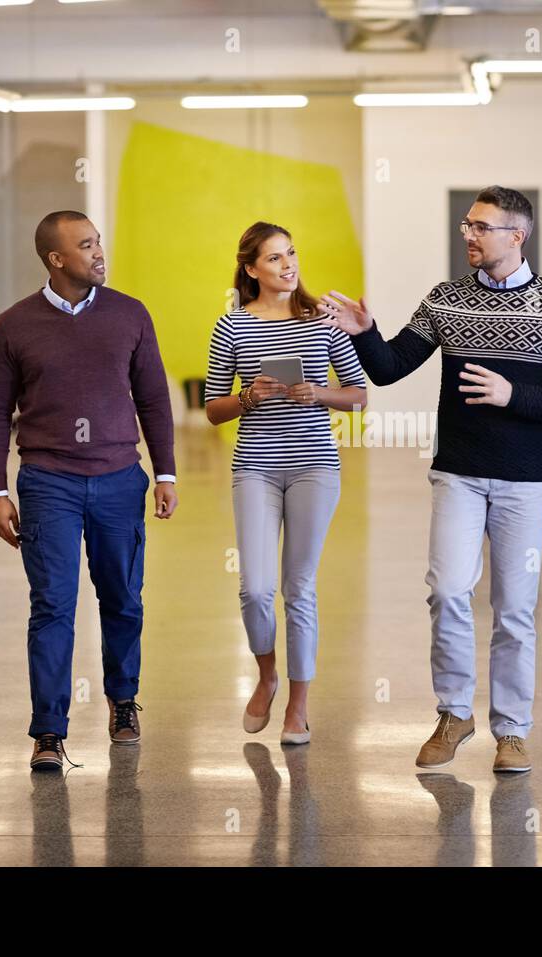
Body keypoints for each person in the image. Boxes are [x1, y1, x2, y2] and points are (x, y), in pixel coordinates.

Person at [321, 186, 542, 773]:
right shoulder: (445, 301)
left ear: (516, 236)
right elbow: (388, 369)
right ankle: (453, 713)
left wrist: (511, 394)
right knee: (447, 592)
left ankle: (513, 730)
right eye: (467, 225)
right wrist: (363, 330)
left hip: (525, 482)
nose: (468, 235)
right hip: (458, 476)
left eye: (481, 227)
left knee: (515, 608)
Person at [0, 210, 179, 772]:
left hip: (119, 480)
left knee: (122, 599)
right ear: (56, 258)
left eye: (98, 242)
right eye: (86, 245)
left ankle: (123, 701)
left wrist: (165, 474)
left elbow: (154, 400)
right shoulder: (14, 326)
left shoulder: (130, 315)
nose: (99, 252)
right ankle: (48, 731)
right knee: (52, 607)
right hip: (47, 485)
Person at [205, 222, 367, 745]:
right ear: (251, 270)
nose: (288, 265)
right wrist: (250, 396)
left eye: (291, 254)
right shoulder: (230, 326)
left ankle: (299, 703)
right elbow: (211, 409)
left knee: (298, 587)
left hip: (314, 465)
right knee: (255, 588)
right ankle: (267, 673)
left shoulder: (323, 322)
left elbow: (358, 395)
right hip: (255, 464)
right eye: (274, 259)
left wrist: (317, 394)